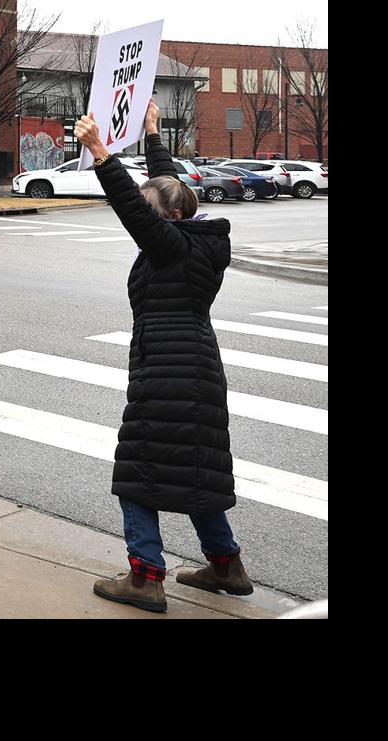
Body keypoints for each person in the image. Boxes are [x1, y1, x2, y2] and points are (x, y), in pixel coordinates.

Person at [74, 100, 253, 613]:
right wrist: (153, 134)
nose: (146, 221)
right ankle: (226, 566)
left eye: (155, 214)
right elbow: (164, 185)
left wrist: (99, 151)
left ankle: (146, 577)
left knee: (140, 470)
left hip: (167, 375)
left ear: (170, 218)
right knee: (197, 469)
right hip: (195, 369)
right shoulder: (193, 238)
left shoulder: (169, 246)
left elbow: (135, 205)